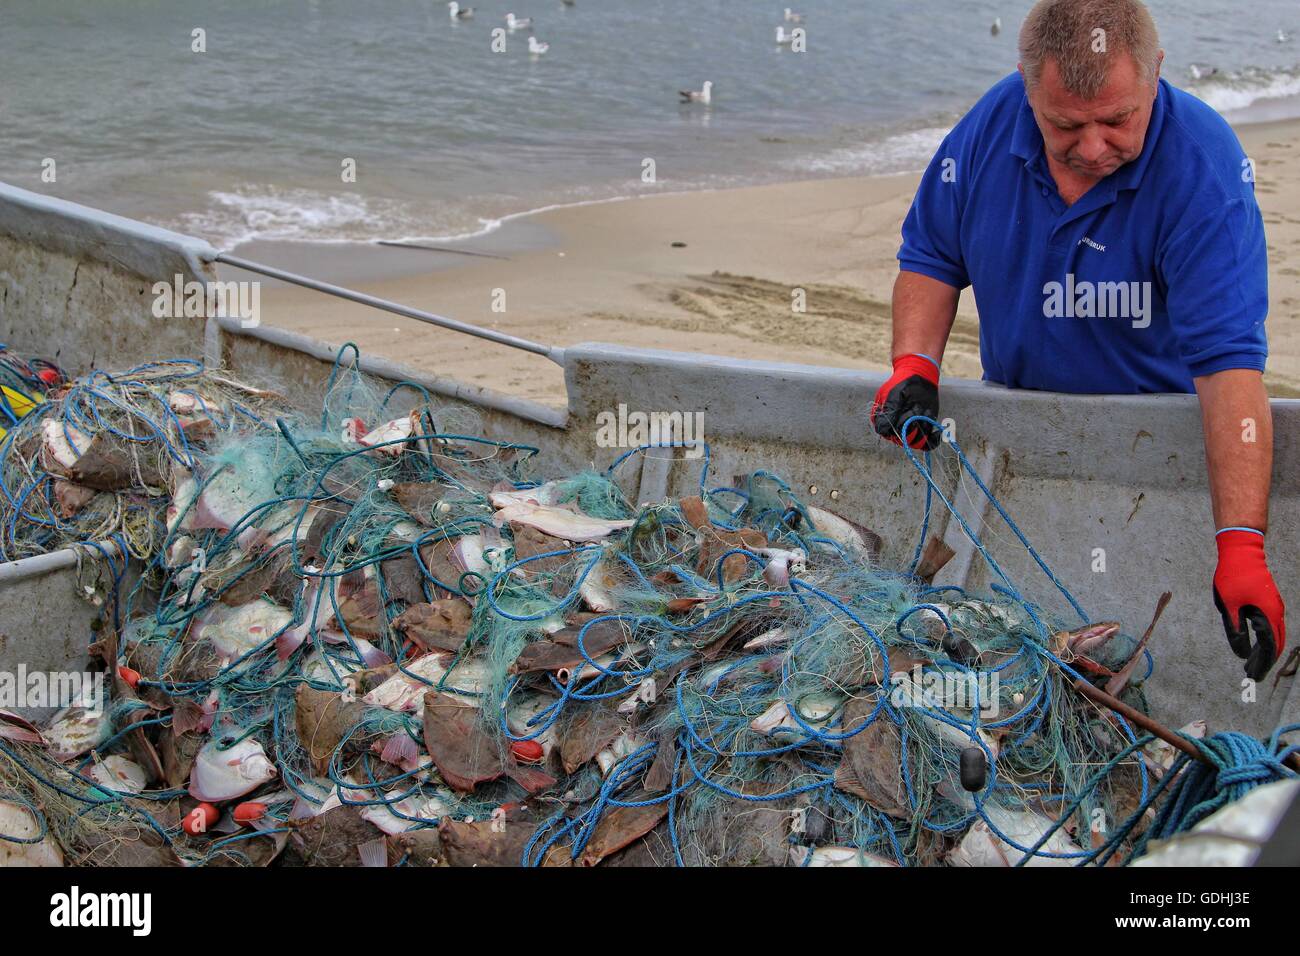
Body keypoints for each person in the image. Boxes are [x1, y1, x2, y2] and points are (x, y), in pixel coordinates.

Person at [870, 0, 1286, 680]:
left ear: (1156, 73)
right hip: (1020, 424)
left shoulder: (1204, 168)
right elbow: (930, 258)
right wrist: (914, 365)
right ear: (1027, 85)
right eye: (1065, 124)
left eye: (1118, 120)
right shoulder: (989, 127)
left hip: (1157, 452)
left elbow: (1229, 370)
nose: (1092, 147)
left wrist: (1242, 545)